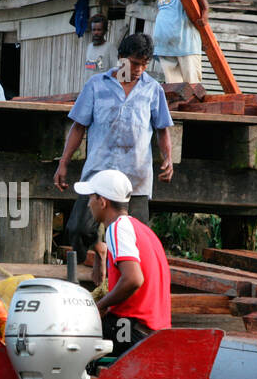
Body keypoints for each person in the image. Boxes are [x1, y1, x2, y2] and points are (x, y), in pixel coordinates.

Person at [54, 32, 174, 256]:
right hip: (99, 172)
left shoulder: (153, 89)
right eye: (135, 63)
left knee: (136, 239)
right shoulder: (97, 85)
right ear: (121, 58)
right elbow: (78, 127)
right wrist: (63, 163)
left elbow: (162, 129)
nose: (139, 69)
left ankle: (124, 281)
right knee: (78, 229)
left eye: (144, 64)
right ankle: (98, 252)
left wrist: (168, 159)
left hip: (135, 177)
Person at [76, 169, 171, 356]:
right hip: (154, 331)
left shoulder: (117, 228)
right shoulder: (143, 230)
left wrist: (101, 306)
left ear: (102, 202)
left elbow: (133, 279)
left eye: (91, 198)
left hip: (130, 331)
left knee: (69, 334)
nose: (88, 205)